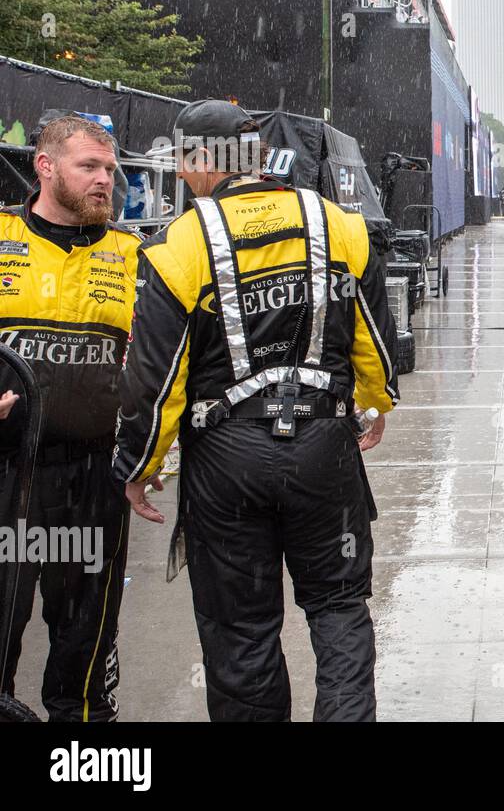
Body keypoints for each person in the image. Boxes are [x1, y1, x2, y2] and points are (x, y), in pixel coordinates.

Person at [113, 100, 398, 721]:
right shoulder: (337, 225)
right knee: (339, 609)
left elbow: (156, 381)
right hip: (325, 448)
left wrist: (140, 463)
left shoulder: (177, 245)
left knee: (241, 632)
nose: (184, 178)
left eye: (185, 163)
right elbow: (376, 338)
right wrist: (374, 405)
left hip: (225, 460)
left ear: (202, 159)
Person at [0, 116, 141, 721]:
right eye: (89, 167)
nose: (105, 180)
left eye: (110, 170)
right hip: (6, 476)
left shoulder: (134, 255)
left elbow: (165, 364)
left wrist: (150, 447)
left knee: (82, 653)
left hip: (92, 479)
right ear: (46, 165)